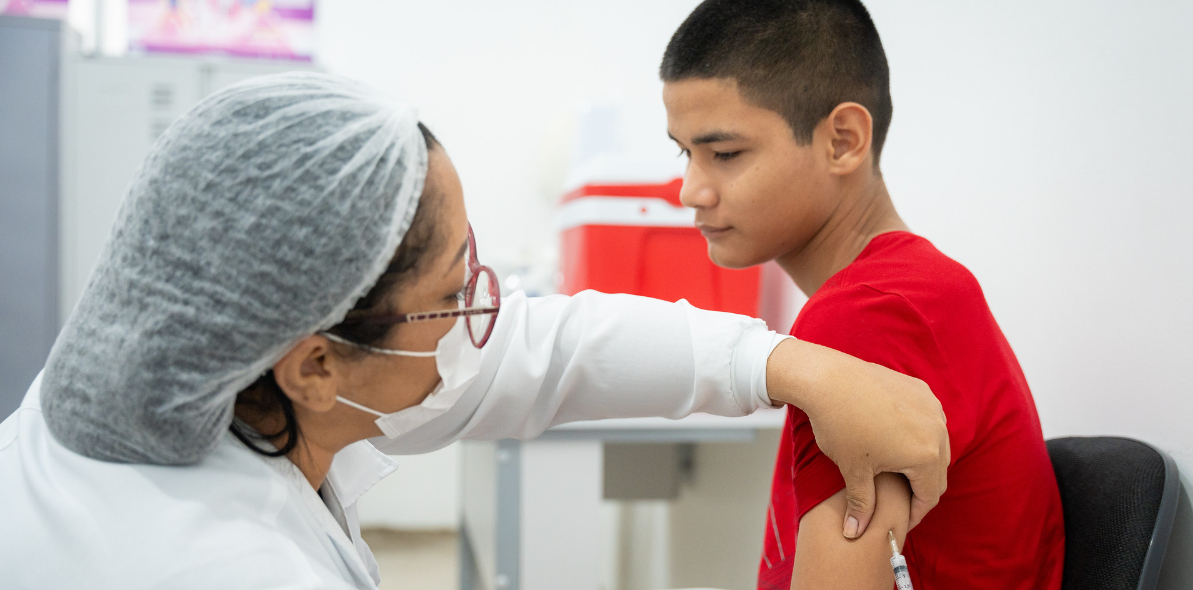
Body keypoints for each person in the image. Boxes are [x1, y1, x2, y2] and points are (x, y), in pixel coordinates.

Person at [0, 72, 948, 589]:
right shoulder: (222, 567)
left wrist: (785, 361)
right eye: (456, 291)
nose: (489, 314)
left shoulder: (179, 379)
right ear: (317, 364)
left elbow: (553, 350)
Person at [660, 1, 1066, 589]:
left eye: (724, 155)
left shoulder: (870, 312)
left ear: (843, 141)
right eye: (684, 153)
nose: (691, 190)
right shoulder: (900, 290)